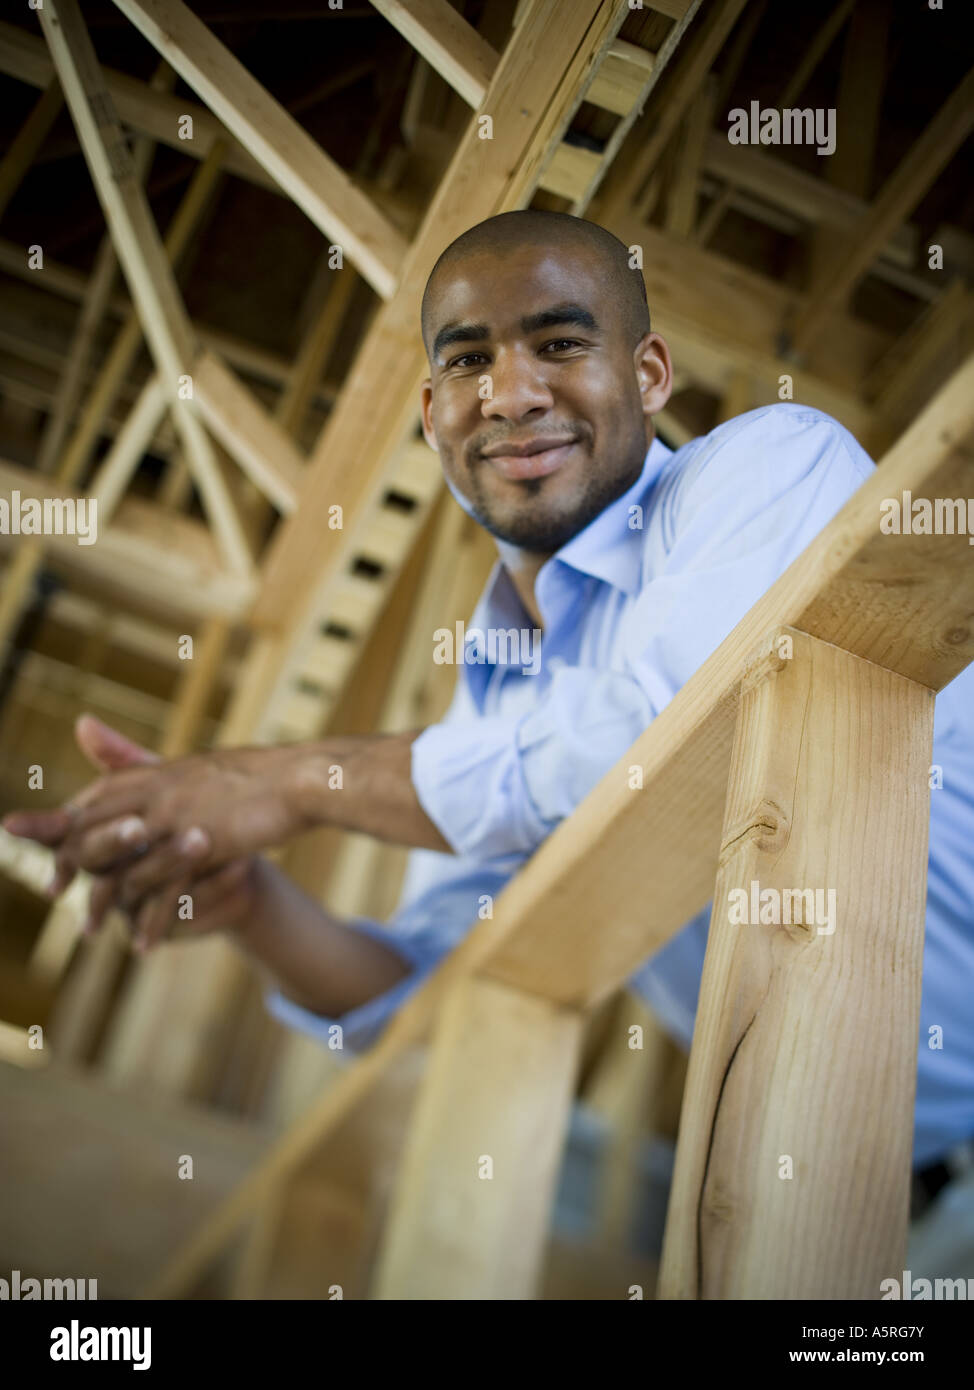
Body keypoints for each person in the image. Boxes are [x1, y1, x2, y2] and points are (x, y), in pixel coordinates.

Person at [5, 211, 974, 1261]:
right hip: (912, 1203)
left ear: (647, 372)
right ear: (430, 413)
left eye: (559, 343)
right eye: (468, 360)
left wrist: (291, 780)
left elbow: (655, 738)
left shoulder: (764, 470)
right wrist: (251, 903)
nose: (509, 395)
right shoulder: (501, 686)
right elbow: (422, 992)